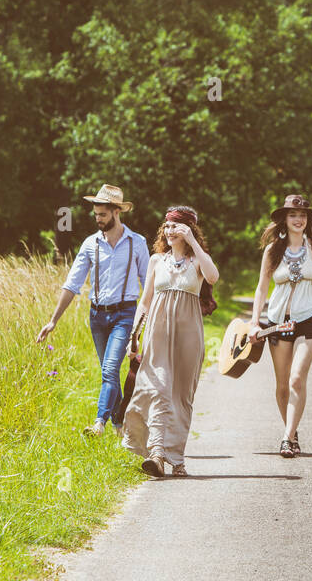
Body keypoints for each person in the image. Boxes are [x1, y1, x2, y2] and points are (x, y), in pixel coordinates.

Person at [36, 184, 150, 437]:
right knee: (108, 372)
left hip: (125, 314)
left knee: (110, 369)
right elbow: (72, 283)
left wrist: (146, 322)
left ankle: (99, 423)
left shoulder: (137, 243)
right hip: (97, 316)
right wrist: (53, 320)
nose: (97, 219)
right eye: (96, 215)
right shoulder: (90, 244)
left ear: (117, 212)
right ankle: (120, 426)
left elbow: (148, 284)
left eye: (103, 215)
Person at [121, 205, 220, 477]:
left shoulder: (198, 261)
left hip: (189, 335)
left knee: (181, 395)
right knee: (158, 388)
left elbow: (213, 276)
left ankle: (176, 458)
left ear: (189, 229)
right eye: (167, 226)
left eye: (176, 226)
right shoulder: (157, 260)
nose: (169, 230)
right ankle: (156, 453)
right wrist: (134, 334)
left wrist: (192, 242)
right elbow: (145, 301)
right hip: (158, 332)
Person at [249, 194, 312, 457]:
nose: (298, 219)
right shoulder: (273, 251)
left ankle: (286, 437)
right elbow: (261, 289)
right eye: (293, 215)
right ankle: (292, 433)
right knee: (282, 384)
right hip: (278, 322)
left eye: (303, 215)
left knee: (296, 380)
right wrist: (253, 321)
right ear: (284, 218)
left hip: (308, 320)